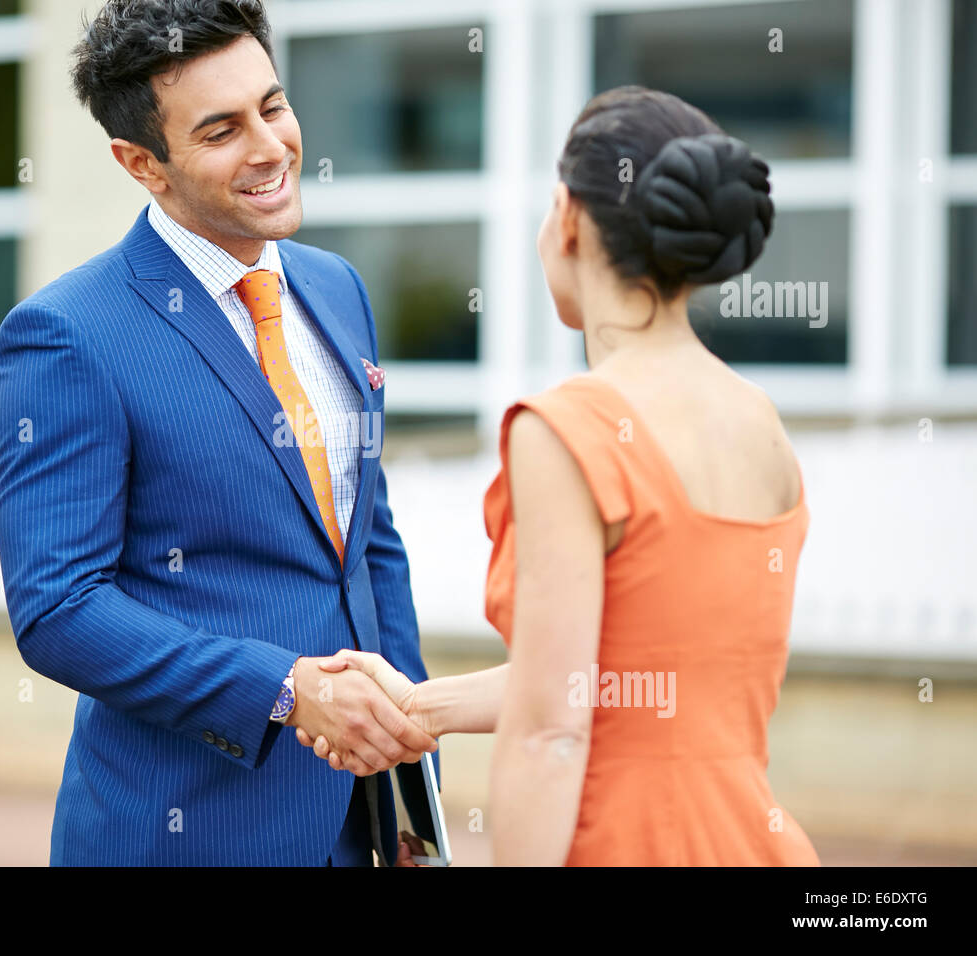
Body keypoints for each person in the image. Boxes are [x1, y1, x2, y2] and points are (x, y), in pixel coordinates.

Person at [299, 86, 822, 867]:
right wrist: (418, 705)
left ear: (570, 218)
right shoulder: (760, 424)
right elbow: (626, 678)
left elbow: (552, 731)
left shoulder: (567, 429)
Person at [0, 0, 436, 867]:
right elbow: (57, 609)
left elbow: (369, 545)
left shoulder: (337, 287)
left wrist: (413, 791)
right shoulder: (67, 334)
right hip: (183, 833)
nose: (270, 147)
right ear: (140, 163)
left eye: (272, 106)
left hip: (362, 826)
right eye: (222, 130)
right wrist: (282, 691)